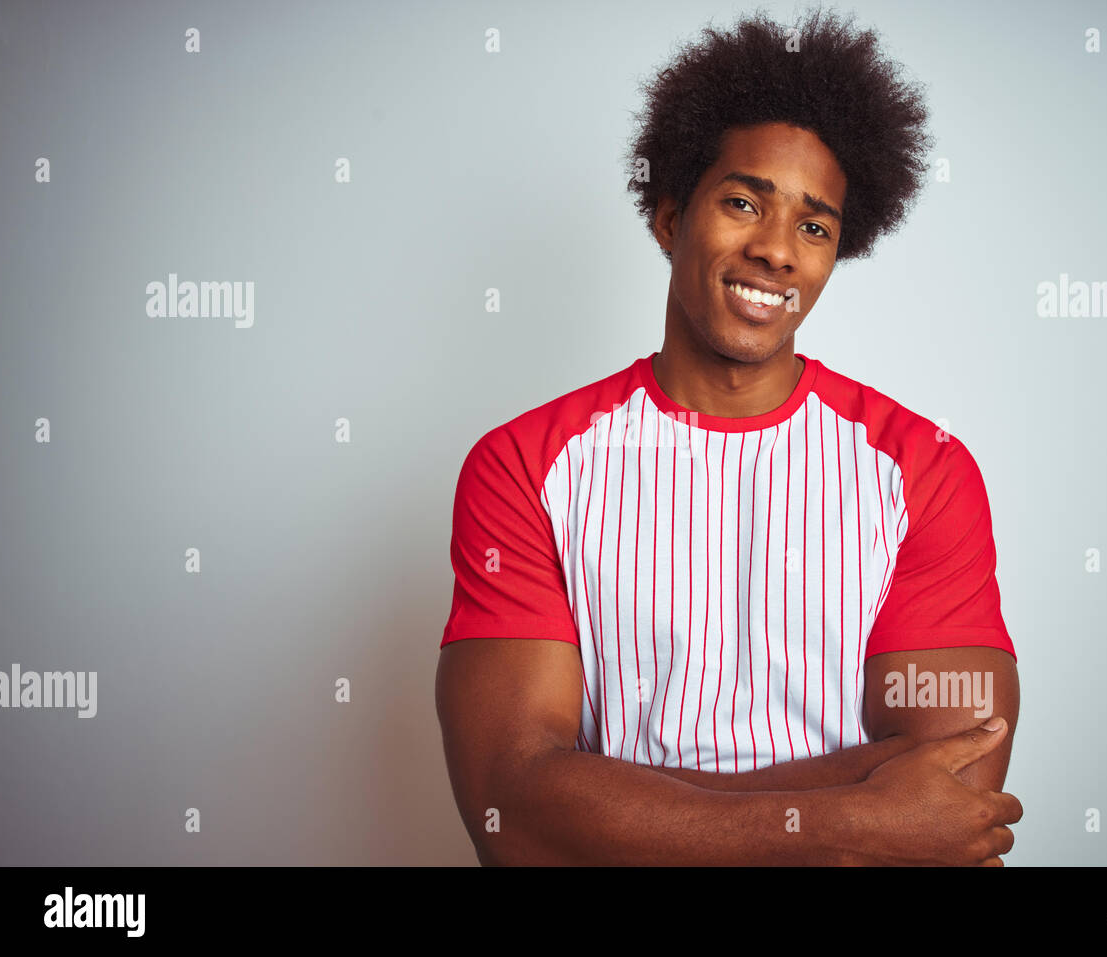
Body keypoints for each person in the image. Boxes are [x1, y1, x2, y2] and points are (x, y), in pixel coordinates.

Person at [435, 7, 1022, 865]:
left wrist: (616, 799)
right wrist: (853, 814)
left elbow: (956, 800)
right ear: (672, 219)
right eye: (744, 201)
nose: (778, 251)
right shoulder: (525, 465)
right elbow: (514, 816)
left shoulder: (922, 469)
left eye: (815, 226)